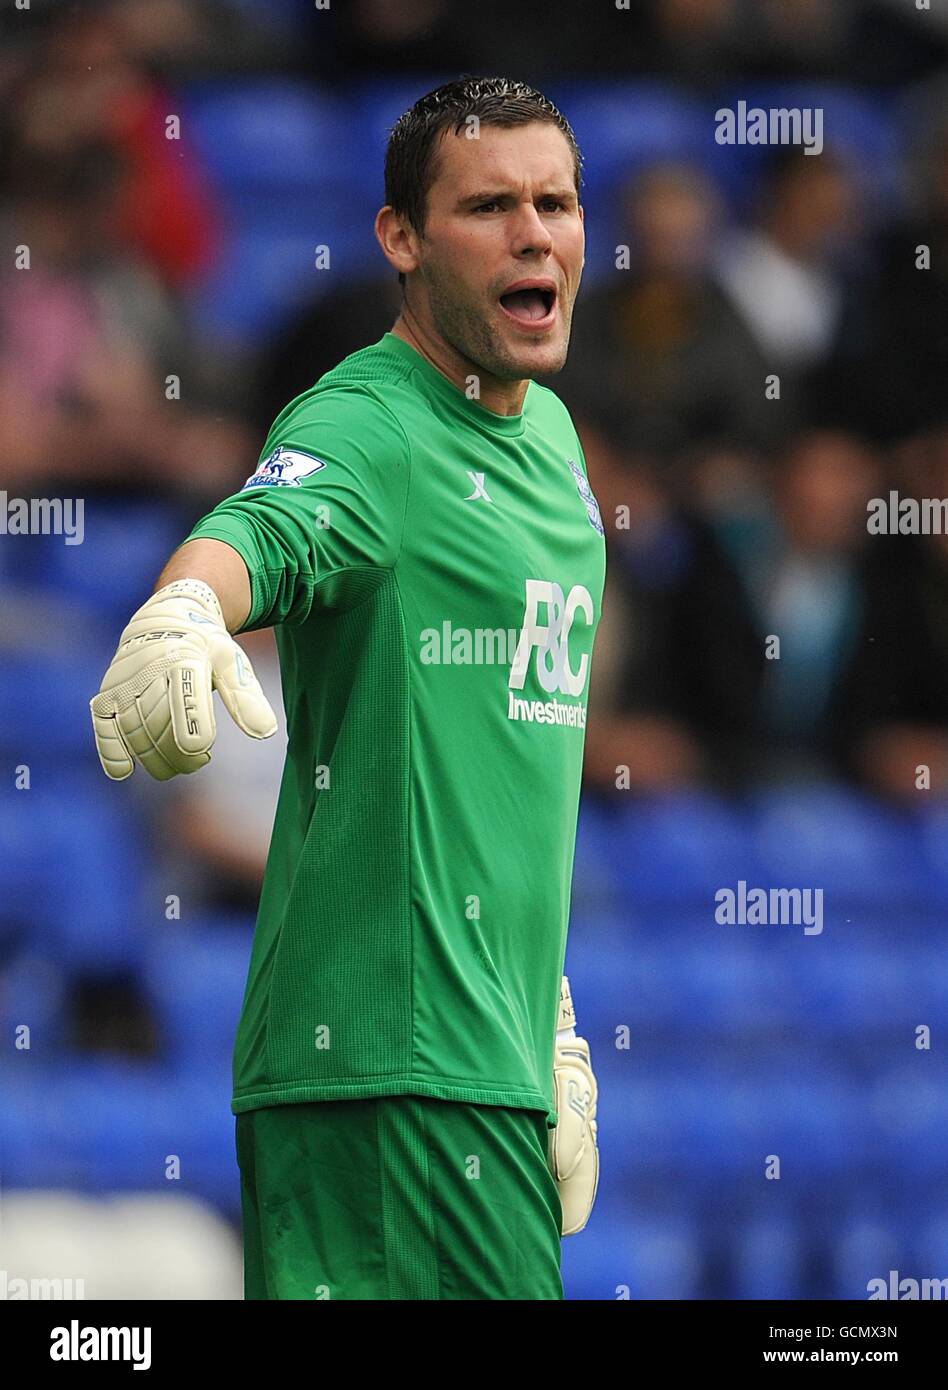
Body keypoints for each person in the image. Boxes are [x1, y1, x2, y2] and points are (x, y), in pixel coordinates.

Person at [89, 76, 602, 1300]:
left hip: (483, 1063)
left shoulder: (554, 441)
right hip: (385, 1073)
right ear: (402, 239)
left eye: (557, 201)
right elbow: (263, 528)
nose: (536, 232)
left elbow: (490, 767)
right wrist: (186, 605)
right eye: (490, 206)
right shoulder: (371, 423)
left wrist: (550, 1016)